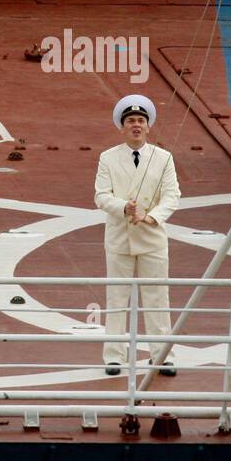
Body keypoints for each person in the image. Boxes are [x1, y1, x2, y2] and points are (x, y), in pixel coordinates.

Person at [94, 95, 181, 377]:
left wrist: (151, 216)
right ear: (122, 126)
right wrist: (123, 208)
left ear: (148, 127)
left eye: (140, 121)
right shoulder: (108, 158)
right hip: (120, 238)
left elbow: (172, 195)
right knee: (117, 298)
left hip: (152, 237)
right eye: (130, 121)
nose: (136, 125)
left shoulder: (163, 157)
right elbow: (101, 195)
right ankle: (115, 356)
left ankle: (162, 355)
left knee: (157, 298)